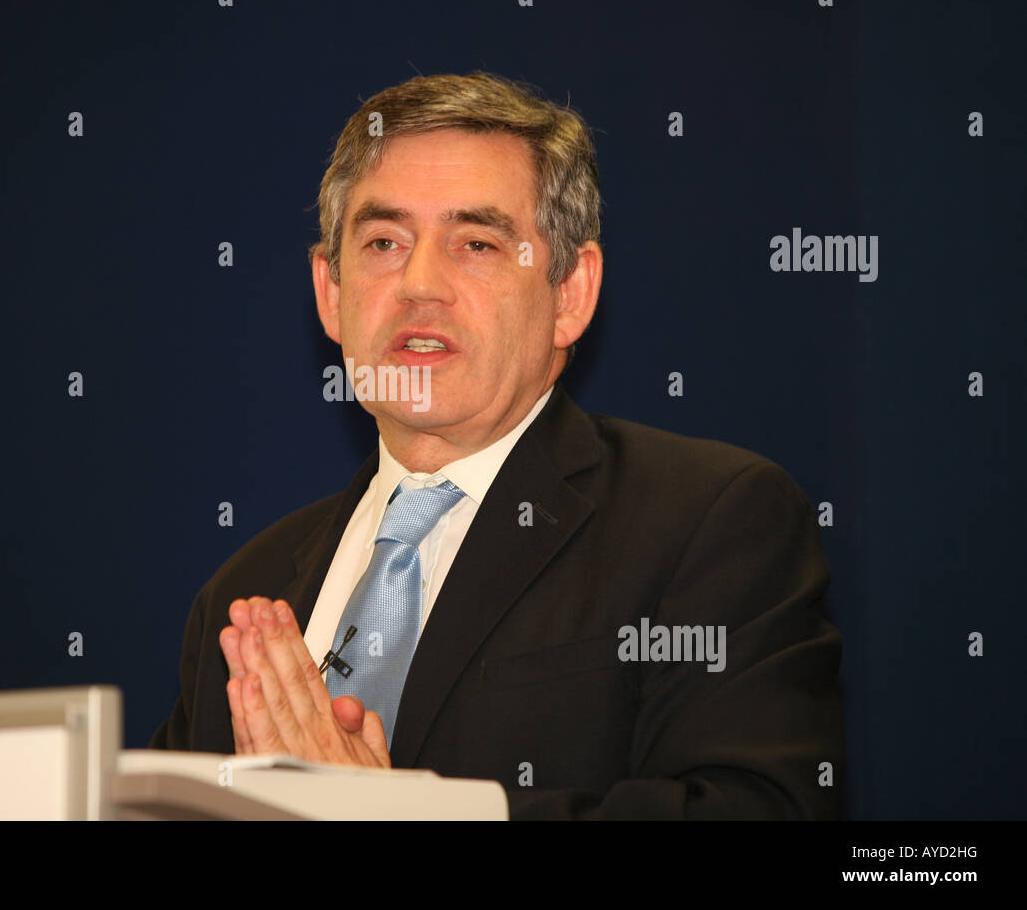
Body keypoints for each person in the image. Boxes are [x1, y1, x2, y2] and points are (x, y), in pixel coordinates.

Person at [149, 71, 845, 819]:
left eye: (476, 244)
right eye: (383, 241)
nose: (419, 284)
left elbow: (754, 810)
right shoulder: (244, 593)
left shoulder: (710, 523)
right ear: (330, 291)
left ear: (570, 292)